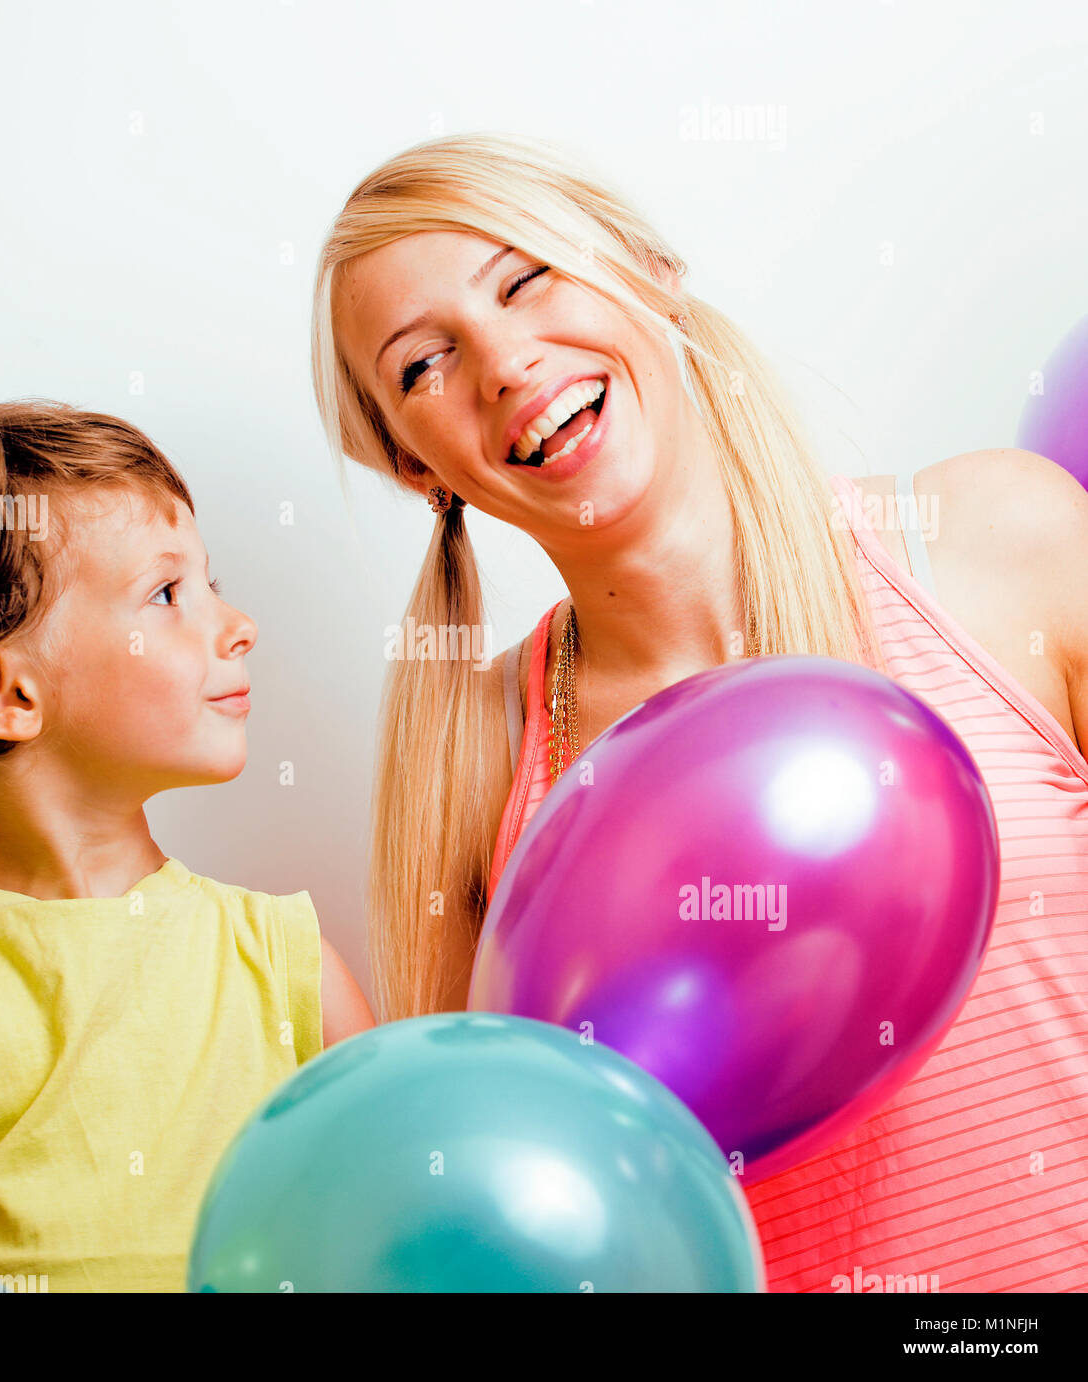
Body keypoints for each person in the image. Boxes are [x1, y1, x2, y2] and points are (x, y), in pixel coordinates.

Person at [311, 131, 1088, 1292]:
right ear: (415, 466)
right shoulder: (479, 759)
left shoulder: (996, 540)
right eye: (422, 364)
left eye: (524, 278)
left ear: (647, 266)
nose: (505, 362)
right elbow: (507, 1208)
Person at [0, 401, 375, 1290]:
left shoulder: (286, 965)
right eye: (169, 593)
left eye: (211, 582)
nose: (238, 624)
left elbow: (387, 1221)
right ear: (6, 690)